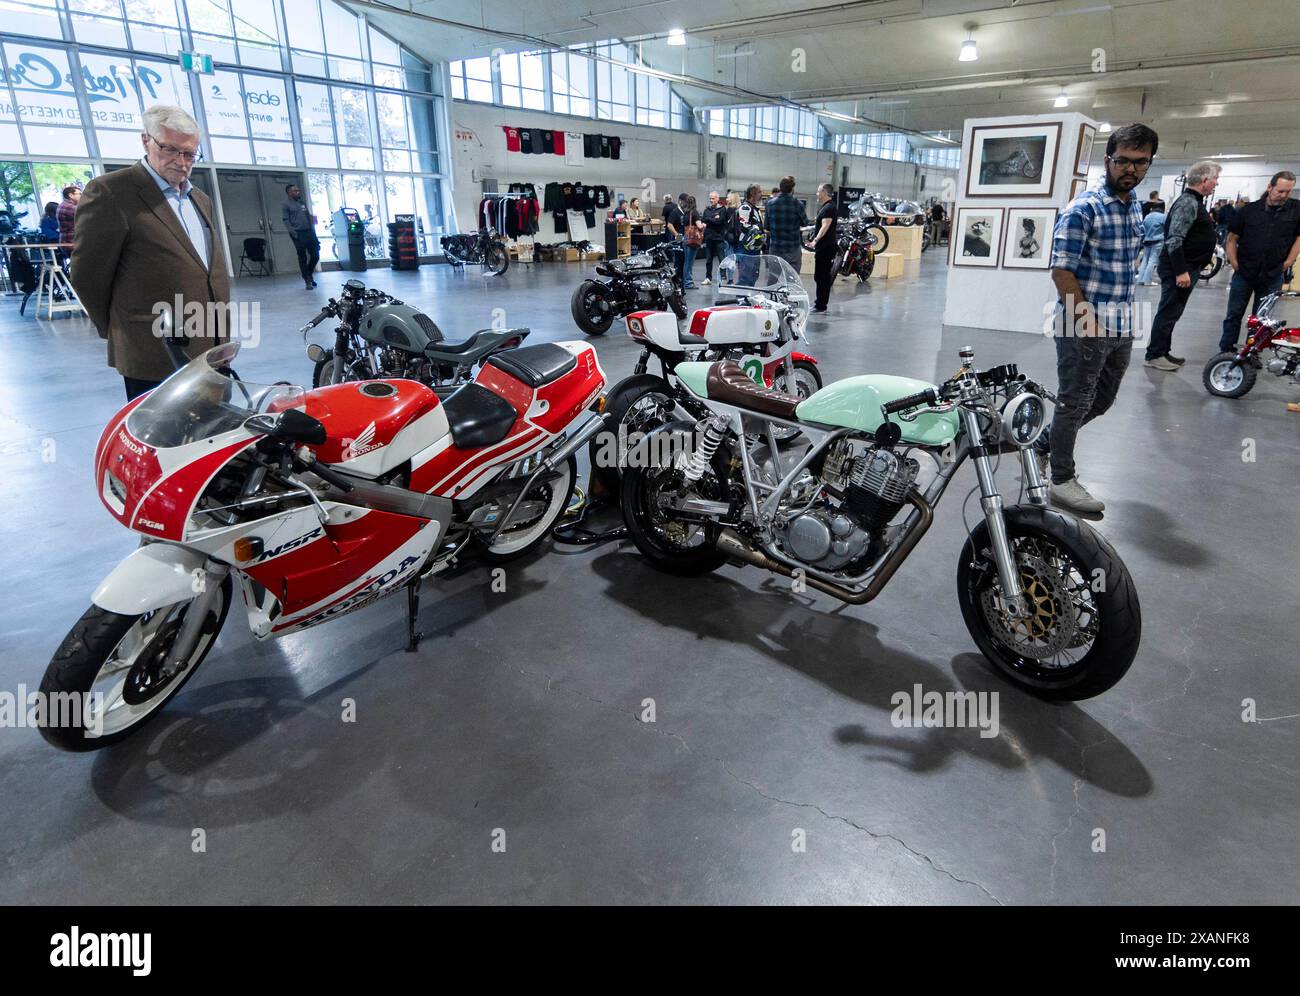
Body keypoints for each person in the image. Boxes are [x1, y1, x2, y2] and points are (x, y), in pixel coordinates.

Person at [70, 104, 230, 401]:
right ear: (146, 141)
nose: (182, 162)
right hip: (153, 351)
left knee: (211, 438)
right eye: (170, 149)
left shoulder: (200, 198)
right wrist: (122, 331)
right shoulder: (111, 192)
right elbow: (87, 277)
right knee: (163, 443)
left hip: (211, 346)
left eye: (190, 153)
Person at [1039, 122, 1158, 514]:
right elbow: (1061, 270)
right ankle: (1061, 479)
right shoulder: (1083, 209)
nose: (1131, 169)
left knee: (1103, 400)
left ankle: (1044, 443)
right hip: (1083, 325)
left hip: (1122, 323)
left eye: (1140, 162)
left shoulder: (1135, 205)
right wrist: (1086, 321)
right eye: (1123, 160)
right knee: (1073, 402)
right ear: (1108, 160)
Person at [1144, 161, 1221, 370]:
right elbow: (1174, 239)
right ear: (1204, 180)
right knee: (1169, 311)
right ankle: (1154, 355)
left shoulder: (1195, 201)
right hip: (1180, 268)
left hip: (1188, 267)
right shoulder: (1188, 202)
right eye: (1215, 180)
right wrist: (1181, 271)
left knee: (1173, 312)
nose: (1216, 184)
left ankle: (1163, 351)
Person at [1218, 171, 1300, 353]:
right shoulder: (1248, 211)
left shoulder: (1296, 210)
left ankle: (1252, 352)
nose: (1284, 195)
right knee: (1234, 314)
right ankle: (1226, 350)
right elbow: (1231, 239)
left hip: (1272, 274)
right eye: (1280, 191)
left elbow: (1299, 238)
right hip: (1245, 272)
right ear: (1269, 187)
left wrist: (1288, 261)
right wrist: (1235, 264)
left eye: (1288, 191)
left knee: (1262, 319)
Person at [806, 183, 838, 312]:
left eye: (818, 192)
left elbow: (825, 226)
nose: (817, 194)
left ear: (824, 192)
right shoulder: (827, 207)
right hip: (824, 248)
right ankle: (820, 303)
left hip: (825, 248)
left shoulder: (828, 208)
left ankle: (821, 305)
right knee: (820, 276)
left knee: (822, 277)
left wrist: (815, 240)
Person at [764, 175, 807, 272]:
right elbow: (805, 223)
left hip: (776, 248)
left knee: (773, 280)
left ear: (780, 188)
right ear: (792, 189)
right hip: (793, 249)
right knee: (793, 280)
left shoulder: (770, 204)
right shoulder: (798, 204)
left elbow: (766, 226)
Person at [282, 183, 319, 289]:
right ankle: (307, 280)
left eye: (298, 190)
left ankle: (308, 274)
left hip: (309, 232)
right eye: (295, 191)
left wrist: (314, 232)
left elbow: (309, 218)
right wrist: (293, 233)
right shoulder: (285, 204)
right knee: (302, 257)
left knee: (315, 255)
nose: (298, 192)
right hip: (298, 234)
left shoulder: (302, 203)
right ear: (289, 193)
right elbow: (285, 220)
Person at [699, 190, 729, 286]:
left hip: (719, 238)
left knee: (721, 259)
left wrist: (709, 219)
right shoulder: (706, 210)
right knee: (708, 260)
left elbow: (719, 222)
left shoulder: (723, 209)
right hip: (709, 238)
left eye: (713, 198)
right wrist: (712, 219)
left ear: (717, 199)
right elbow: (704, 221)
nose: (711, 200)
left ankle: (723, 278)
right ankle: (708, 278)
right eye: (710, 198)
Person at [1137, 206, 1166, 285]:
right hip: (1157, 240)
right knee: (1152, 261)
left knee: (1144, 261)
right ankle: (1147, 281)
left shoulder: (1147, 216)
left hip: (1147, 240)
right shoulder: (1163, 216)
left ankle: (1140, 279)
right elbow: (1167, 227)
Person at [679, 193, 702, 290]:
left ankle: (686, 281)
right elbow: (699, 226)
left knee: (686, 262)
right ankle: (688, 283)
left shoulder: (685, 213)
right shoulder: (695, 213)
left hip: (685, 238)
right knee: (690, 262)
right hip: (692, 239)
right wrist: (704, 225)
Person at [56, 185, 80, 250]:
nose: (81, 196)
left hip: (67, 241)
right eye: (79, 194)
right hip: (71, 242)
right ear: (71, 195)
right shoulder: (68, 207)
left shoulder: (64, 205)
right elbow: (87, 215)